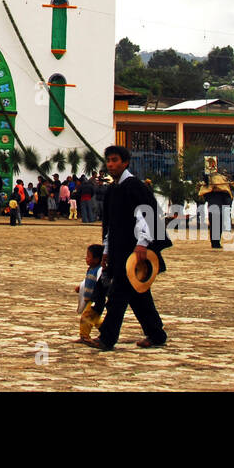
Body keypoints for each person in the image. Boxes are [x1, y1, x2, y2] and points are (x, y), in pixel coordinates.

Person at [93, 145, 169, 351]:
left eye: (115, 160)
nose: (110, 164)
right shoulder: (113, 190)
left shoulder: (134, 187)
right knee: (138, 294)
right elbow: (110, 224)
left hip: (134, 251)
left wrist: (143, 244)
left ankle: (107, 338)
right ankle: (156, 334)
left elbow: (145, 215)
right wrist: (106, 250)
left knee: (118, 294)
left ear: (125, 162)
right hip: (118, 251)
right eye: (108, 160)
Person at [75, 243, 105, 346]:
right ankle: (107, 330)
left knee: (86, 317)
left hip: (95, 300)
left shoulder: (99, 271)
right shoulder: (90, 270)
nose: (86, 258)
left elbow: (100, 284)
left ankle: (84, 336)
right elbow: (86, 281)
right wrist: (80, 287)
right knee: (96, 320)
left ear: (96, 259)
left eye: (88, 256)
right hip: (89, 299)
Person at [198, 173, 234, 248]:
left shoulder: (209, 193)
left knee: (213, 226)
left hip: (211, 210)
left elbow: (204, 198)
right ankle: (216, 243)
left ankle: (214, 243)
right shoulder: (224, 193)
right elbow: (228, 201)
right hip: (219, 211)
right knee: (218, 226)